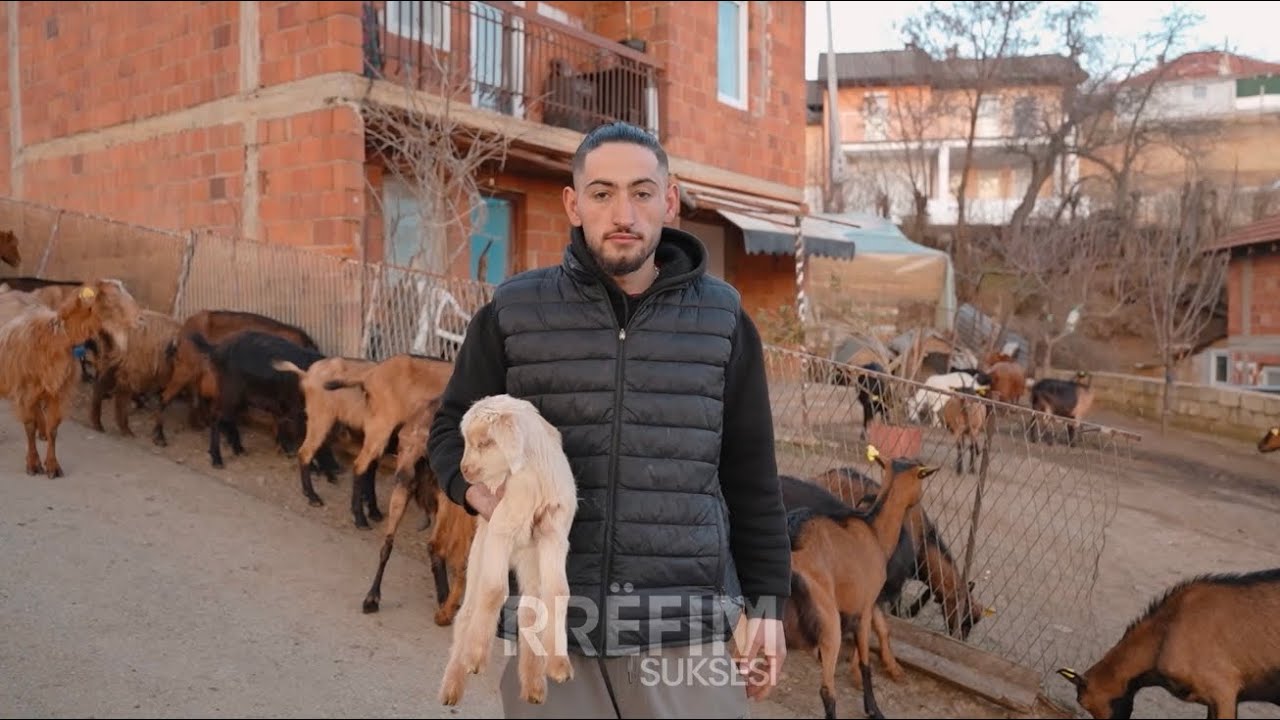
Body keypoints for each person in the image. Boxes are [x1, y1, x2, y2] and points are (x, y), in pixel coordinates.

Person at [427, 121, 791, 718]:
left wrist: (770, 607)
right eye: (602, 193)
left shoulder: (723, 321)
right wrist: (476, 493)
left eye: (642, 192)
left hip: (684, 630)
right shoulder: (515, 312)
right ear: (573, 204)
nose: (623, 211)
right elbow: (447, 430)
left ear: (668, 201)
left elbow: (753, 477)